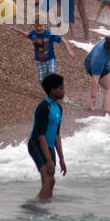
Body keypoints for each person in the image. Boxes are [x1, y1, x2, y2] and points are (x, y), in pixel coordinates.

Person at [28, 72, 67, 201]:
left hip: (49, 146)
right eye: (61, 88)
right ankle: (37, 206)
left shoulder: (59, 108)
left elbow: (57, 135)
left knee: (51, 181)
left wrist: (62, 159)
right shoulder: (43, 107)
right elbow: (40, 136)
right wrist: (49, 160)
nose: (64, 91)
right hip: (36, 145)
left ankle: (43, 207)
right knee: (48, 180)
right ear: (52, 90)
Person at [10, 19, 63, 83]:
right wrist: (17, 30)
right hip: (40, 60)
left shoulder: (49, 34)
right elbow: (28, 35)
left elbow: (61, 39)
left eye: (40, 26)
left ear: (44, 25)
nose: (38, 28)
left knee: (52, 74)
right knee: (42, 80)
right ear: (34, 26)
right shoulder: (33, 33)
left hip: (50, 59)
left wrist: (69, 50)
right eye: (36, 26)